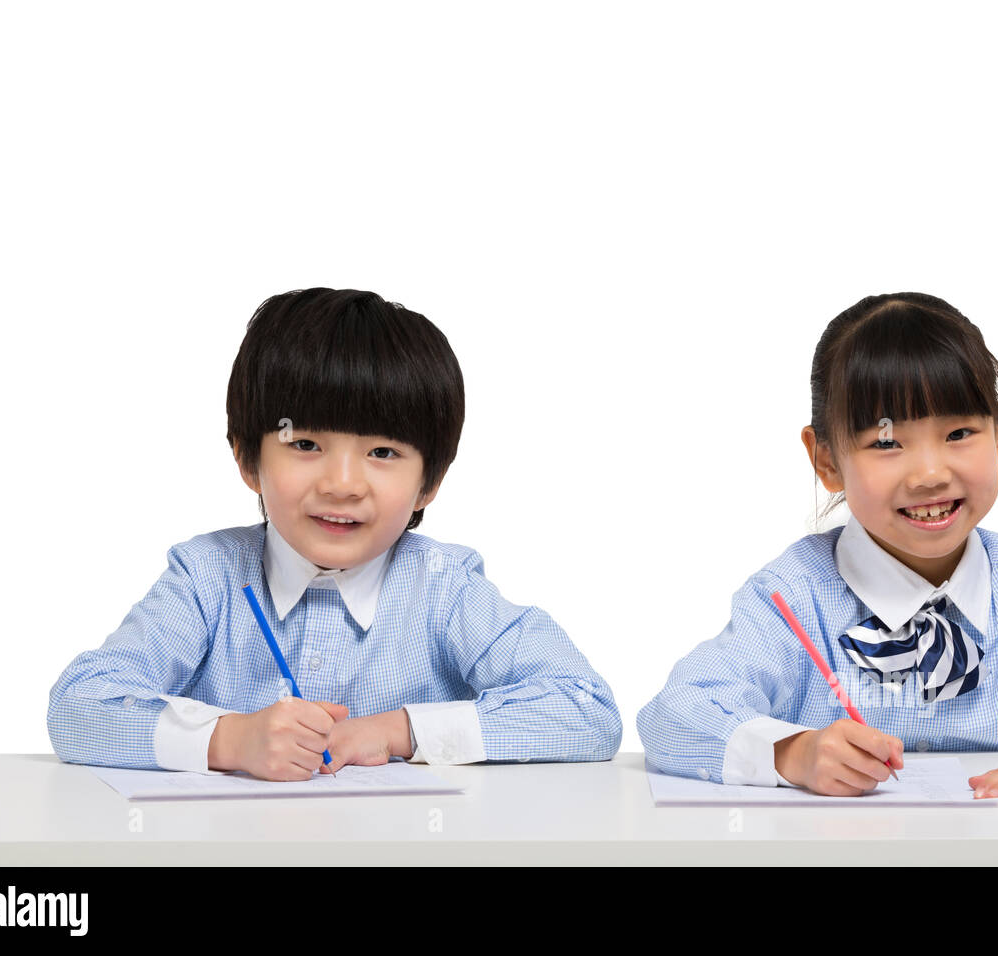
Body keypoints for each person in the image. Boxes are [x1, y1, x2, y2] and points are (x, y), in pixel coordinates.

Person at [637, 292, 998, 802]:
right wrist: (793, 753)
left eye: (959, 434)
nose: (931, 473)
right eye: (887, 443)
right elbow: (674, 717)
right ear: (827, 460)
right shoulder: (792, 597)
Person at [49, 288, 621, 779]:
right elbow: (79, 706)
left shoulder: (445, 586)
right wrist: (230, 740)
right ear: (247, 459)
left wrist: (399, 731)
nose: (342, 485)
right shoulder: (207, 577)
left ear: (429, 482)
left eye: (382, 452)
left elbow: (586, 709)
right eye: (305, 444)